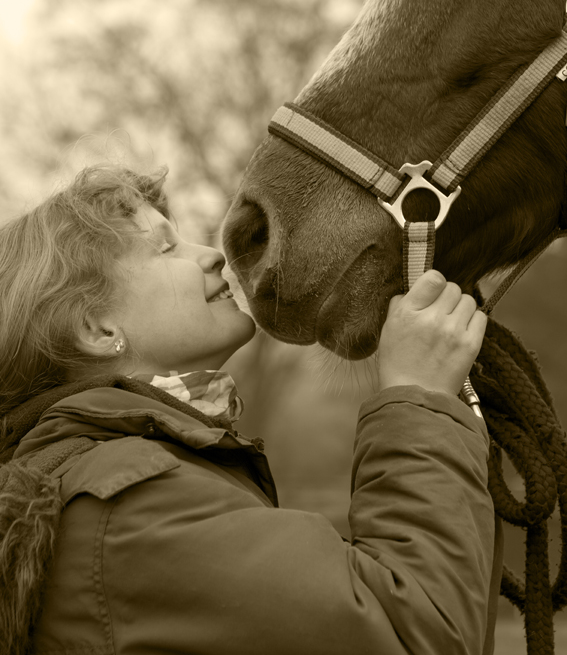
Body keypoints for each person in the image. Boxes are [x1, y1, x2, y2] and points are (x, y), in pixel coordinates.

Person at [0, 164, 496, 655]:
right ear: (98, 330)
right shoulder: (127, 502)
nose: (214, 256)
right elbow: (415, 631)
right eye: (166, 248)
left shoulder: (113, 479)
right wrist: (418, 395)